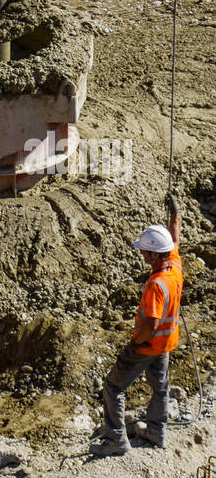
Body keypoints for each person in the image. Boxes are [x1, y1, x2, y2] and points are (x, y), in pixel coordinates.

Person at [92, 193, 182, 456]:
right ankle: (156, 432)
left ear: (154, 255)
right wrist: (174, 215)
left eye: (144, 252)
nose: (142, 255)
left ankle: (116, 441)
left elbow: (151, 325)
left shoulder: (156, 285)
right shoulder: (174, 265)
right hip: (166, 343)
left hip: (148, 345)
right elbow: (175, 239)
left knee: (113, 386)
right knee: (161, 387)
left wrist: (137, 342)